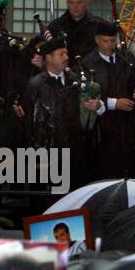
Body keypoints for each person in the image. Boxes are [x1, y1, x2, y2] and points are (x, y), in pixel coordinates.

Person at [78, 20, 135, 180]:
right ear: (96, 40)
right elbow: (85, 95)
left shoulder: (126, 58)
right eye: (105, 41)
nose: (110, 45)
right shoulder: (87, 64)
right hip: (103, 131)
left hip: (129, 127)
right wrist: (115, 103)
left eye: (112, 40)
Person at [21, 36, 93, 189]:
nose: (66, 57)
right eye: (61, 54)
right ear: (48, 57)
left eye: (67, 53)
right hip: (48, 155)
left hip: (74, 154)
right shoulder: (36, 85)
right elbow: (30, 124)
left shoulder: (74, 81)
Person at [47, 0, 103, 64]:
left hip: (92, 72)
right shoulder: (55, 26)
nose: (75, 6)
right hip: (64, 72)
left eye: (79, 2)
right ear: (67, 3)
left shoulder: (99, 26)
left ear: (87, 2)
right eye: (71, 2)